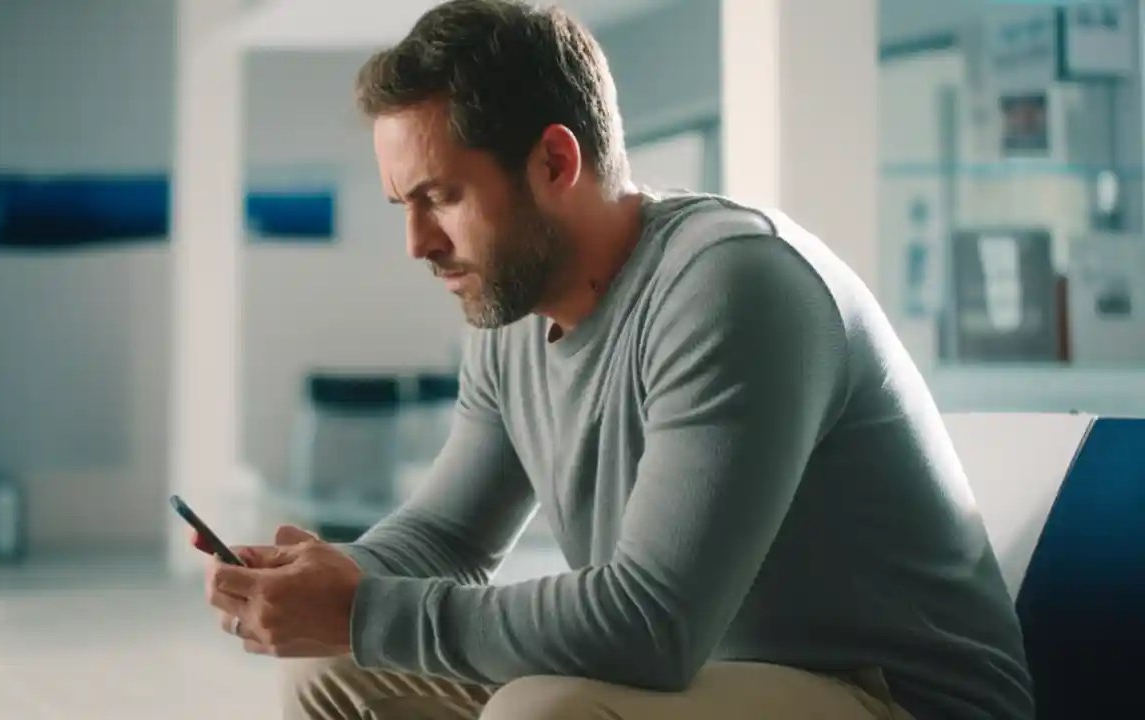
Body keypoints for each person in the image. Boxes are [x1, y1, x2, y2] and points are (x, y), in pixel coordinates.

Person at [203, 1, 1034, 718]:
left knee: (546, 711)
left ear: (555, 163)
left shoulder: (732, 287)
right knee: (330, 672)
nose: (417, 243)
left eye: (442, 197)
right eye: (404, 206)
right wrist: (323, 580)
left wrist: (363, 611)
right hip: (716, 675)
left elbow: (649, 624)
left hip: (893, 697)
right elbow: (448, 536)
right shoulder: (512, 316)